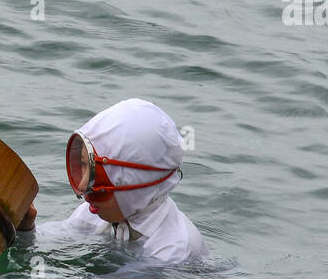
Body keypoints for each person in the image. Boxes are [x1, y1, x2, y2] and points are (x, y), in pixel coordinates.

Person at [16, 98, 209, 266]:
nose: (83, 187)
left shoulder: (175, 249)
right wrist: (26, 227)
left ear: (133, 184)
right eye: (82, 164)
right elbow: (47, 243)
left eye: (96, 174)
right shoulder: (94, 213)